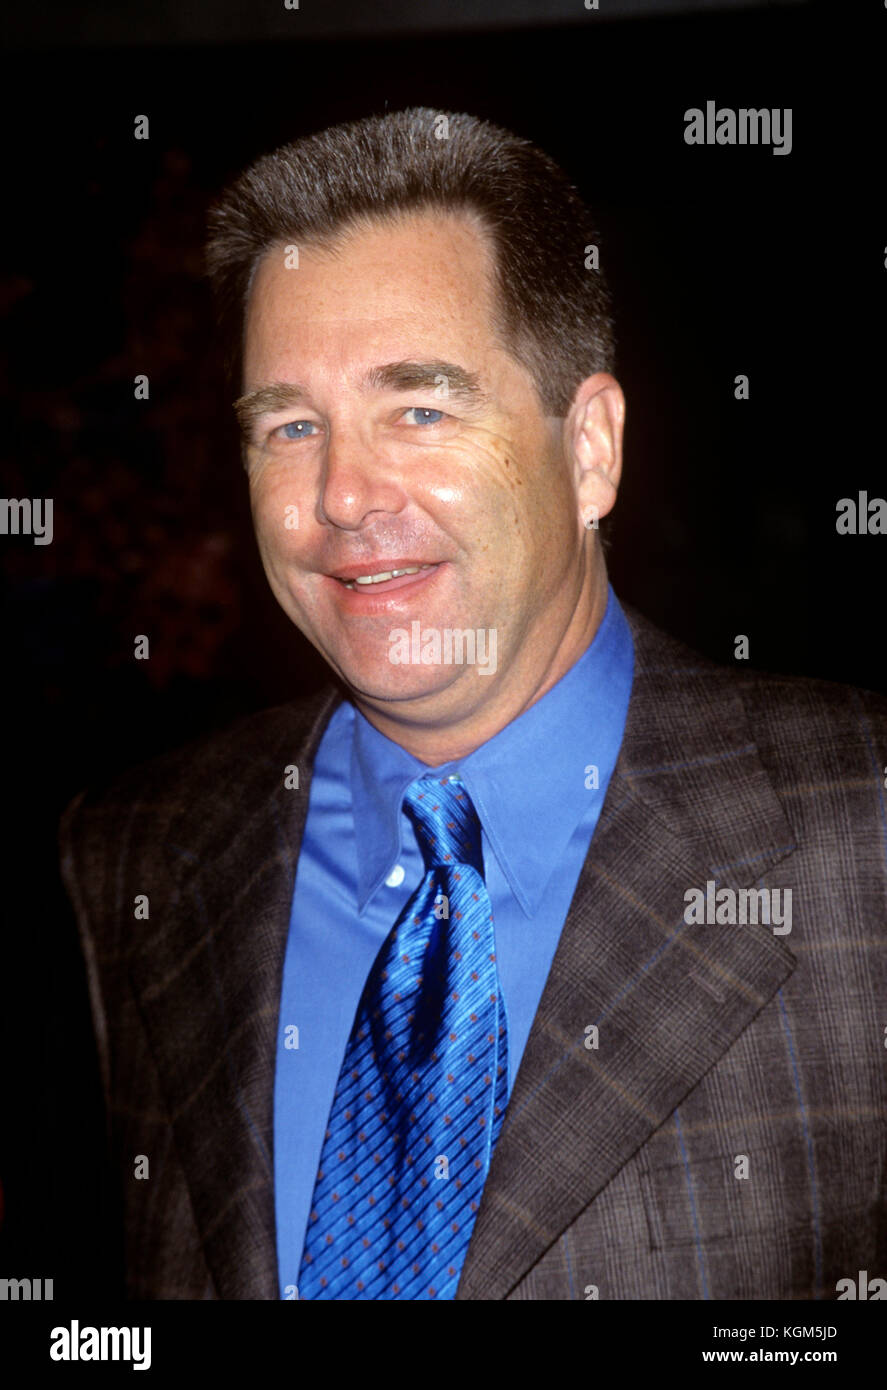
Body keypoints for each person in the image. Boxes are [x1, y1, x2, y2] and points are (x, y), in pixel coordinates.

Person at [60, 108, 887, 1301]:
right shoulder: (136, 855)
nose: (340, 495)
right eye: (290, 426)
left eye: (420, 408)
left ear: (590, 447)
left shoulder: (858, 826)